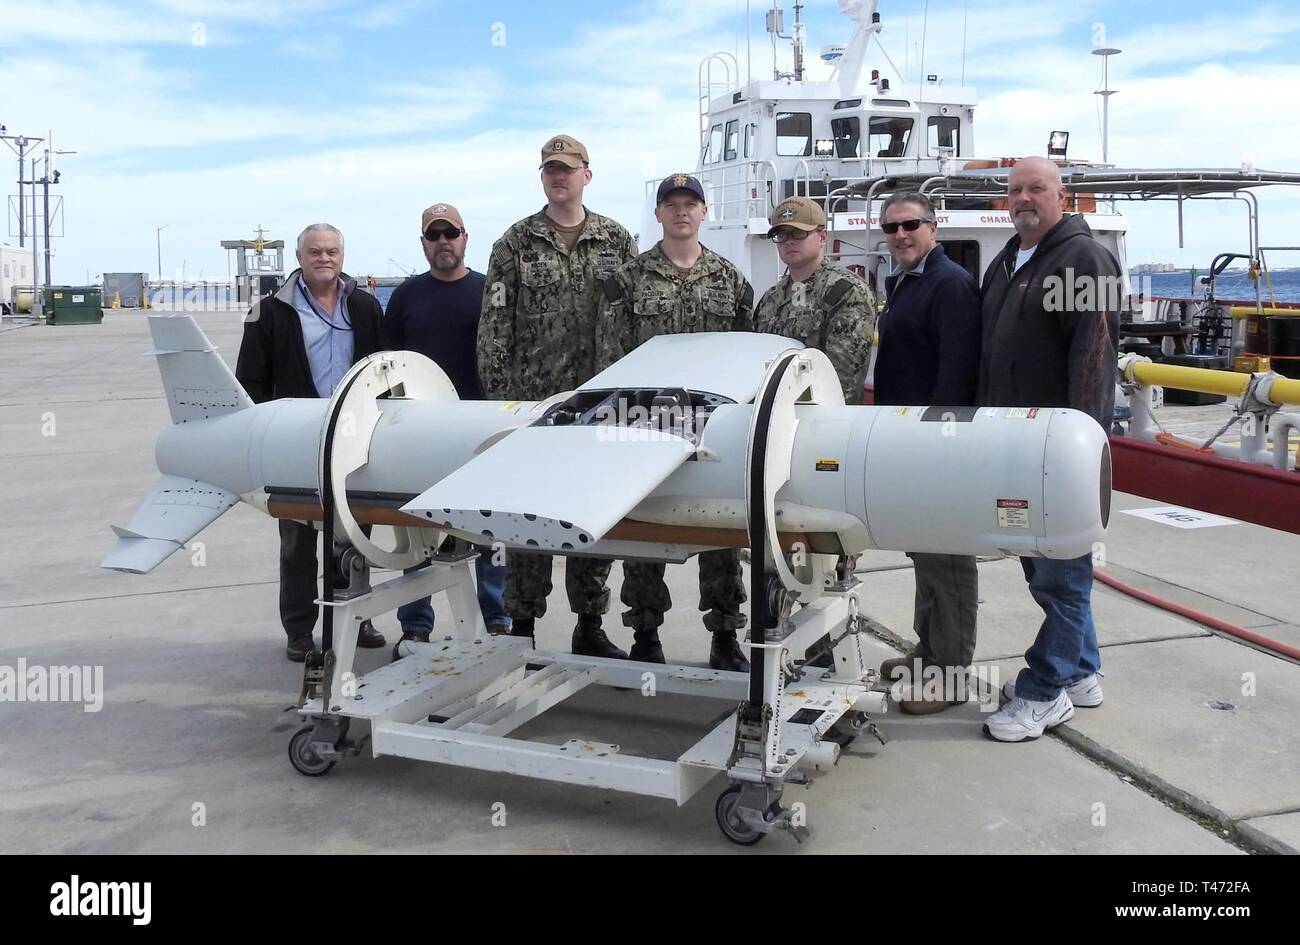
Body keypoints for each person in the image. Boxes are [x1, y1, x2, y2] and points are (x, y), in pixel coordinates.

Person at [476, 134, 638, 658]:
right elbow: (494, 328)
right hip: (535, 408)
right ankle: (521, 628)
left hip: (599, 407)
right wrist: (505, 405)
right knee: (528, 519)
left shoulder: (616, 240)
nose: (559, 176)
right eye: (550, 169)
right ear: (542, 177)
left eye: (568, 169)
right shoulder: (515, 243)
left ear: (587, 174)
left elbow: (634, 321)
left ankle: (589, 624)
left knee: (591, 514)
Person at [978, 156, 1119, 742]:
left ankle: (1045, 690)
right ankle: (1082, 672)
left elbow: (1094, 361)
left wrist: (1077, 456)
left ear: (1064, 195)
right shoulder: (1009, 259)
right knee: (1044, 567)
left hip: (1055, 452)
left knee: (1062, 572)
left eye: (1037, 188)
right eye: (1014, 191)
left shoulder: (1086, 261)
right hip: (1012, 442)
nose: (1023, 199)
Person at [596, 173, 754, 671]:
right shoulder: (627, 281)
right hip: (645, 422)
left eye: (690, 204)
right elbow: (609, 358)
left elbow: (748, 356)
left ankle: (725, 635)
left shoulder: (730, 280)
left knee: (720, 533)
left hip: (713, 424)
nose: (681, 212)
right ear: (659, 214)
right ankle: (645, 633)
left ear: (703, 213)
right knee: (644, 533)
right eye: (671, 204)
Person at [235, 223, 386, 661]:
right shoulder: (269, 312)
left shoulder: (363, 306)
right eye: (315, 251)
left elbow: (383, 369)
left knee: (354, 537)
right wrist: (268, 434)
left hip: (355, 437)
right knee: (298, 543)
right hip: (296, 440)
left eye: (333, 251)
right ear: (300, 257)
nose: (325, 258)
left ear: (343, 256)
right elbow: (251, 381)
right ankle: (300, 631)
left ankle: (355, 618)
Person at [872, 192, 982, 714]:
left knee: (949, 558)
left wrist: (939, 444)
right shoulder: (906, 283)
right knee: (925, 552)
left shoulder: (950, 285)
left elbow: (957, 372)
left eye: (910, 225)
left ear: (932, 227)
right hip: (908, 437)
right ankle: (929, 650)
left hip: (939, 444)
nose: (900, 235)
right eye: (891, 228)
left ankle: (952, 673)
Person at [381, 202, 511, 646]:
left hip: (483, 430)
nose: (443, 242)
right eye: (433, 235)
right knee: (418, 533)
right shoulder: (405, 297)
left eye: (450, 233)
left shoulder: (490, 290)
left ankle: (497, 618)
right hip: (421, 435)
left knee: (491, 529)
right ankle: (416, 625)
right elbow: (386, 366)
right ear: (423, 243)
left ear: (465, 238)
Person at [753, 196, 876, 404]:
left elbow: (840, 379)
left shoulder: (846, 293)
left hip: (825, 419)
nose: (789, 241)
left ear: (822, 237)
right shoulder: (770, 299)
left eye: (799, 233)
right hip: (773, 417)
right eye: (781, 235)